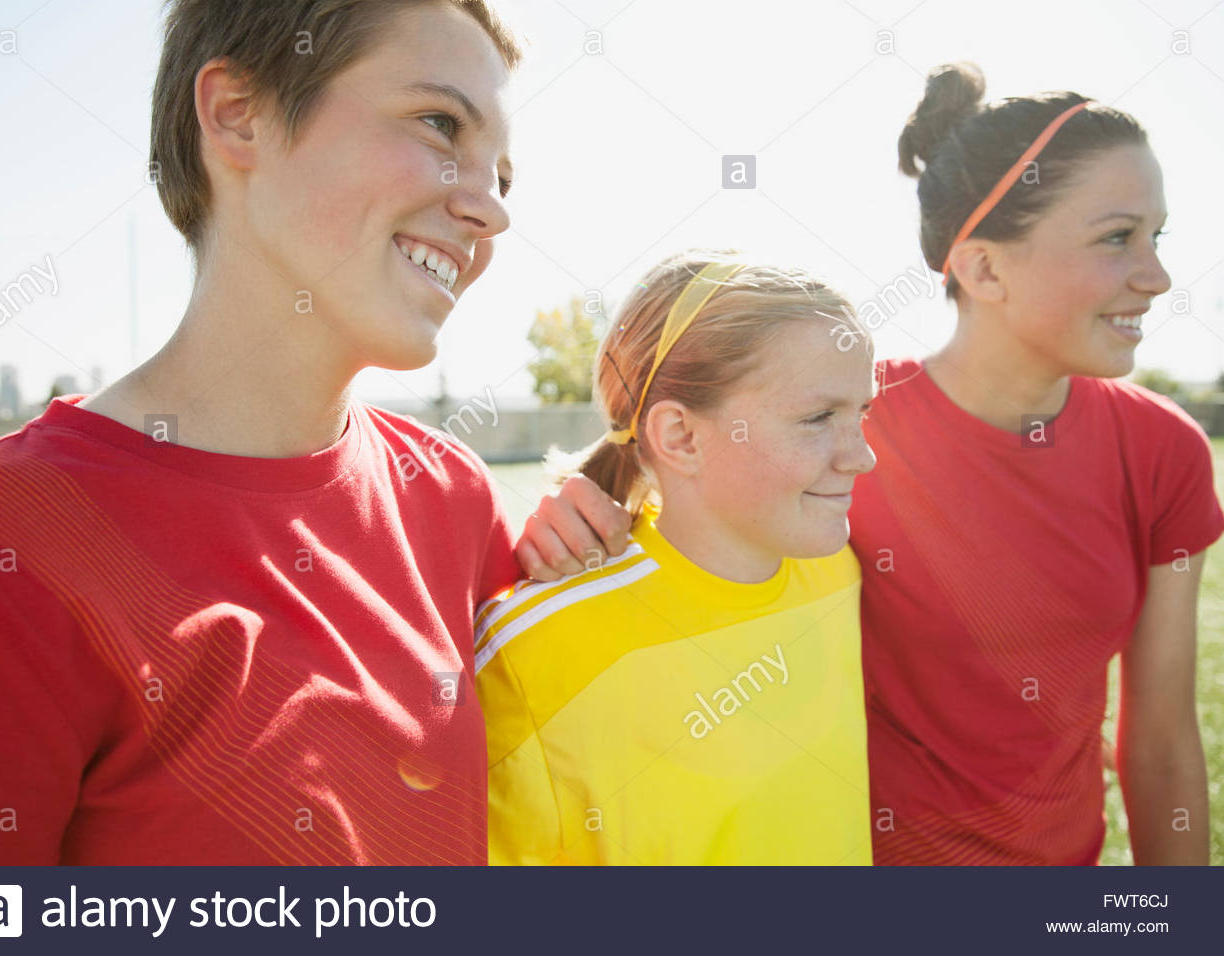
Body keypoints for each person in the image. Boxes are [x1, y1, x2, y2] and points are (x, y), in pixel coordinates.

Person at [0, 0, 622, 865]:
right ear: (236, 115)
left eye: (502, 177)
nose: (492, 211)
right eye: (440, 124)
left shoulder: (453, 498)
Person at [515, 65, 1223, 866]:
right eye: (1116, 237)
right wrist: (577, 501)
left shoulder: (1164, 452)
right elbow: (692, 481)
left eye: (1157, 237)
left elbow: (1161, 734)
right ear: (984, 269)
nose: (1157, 276)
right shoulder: (840, 420)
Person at [477, 252, 877, 864]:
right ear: (680, 437)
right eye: (819, 418)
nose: (862, 457)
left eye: (862, 413)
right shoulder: (534, 657)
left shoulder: (838, 569)